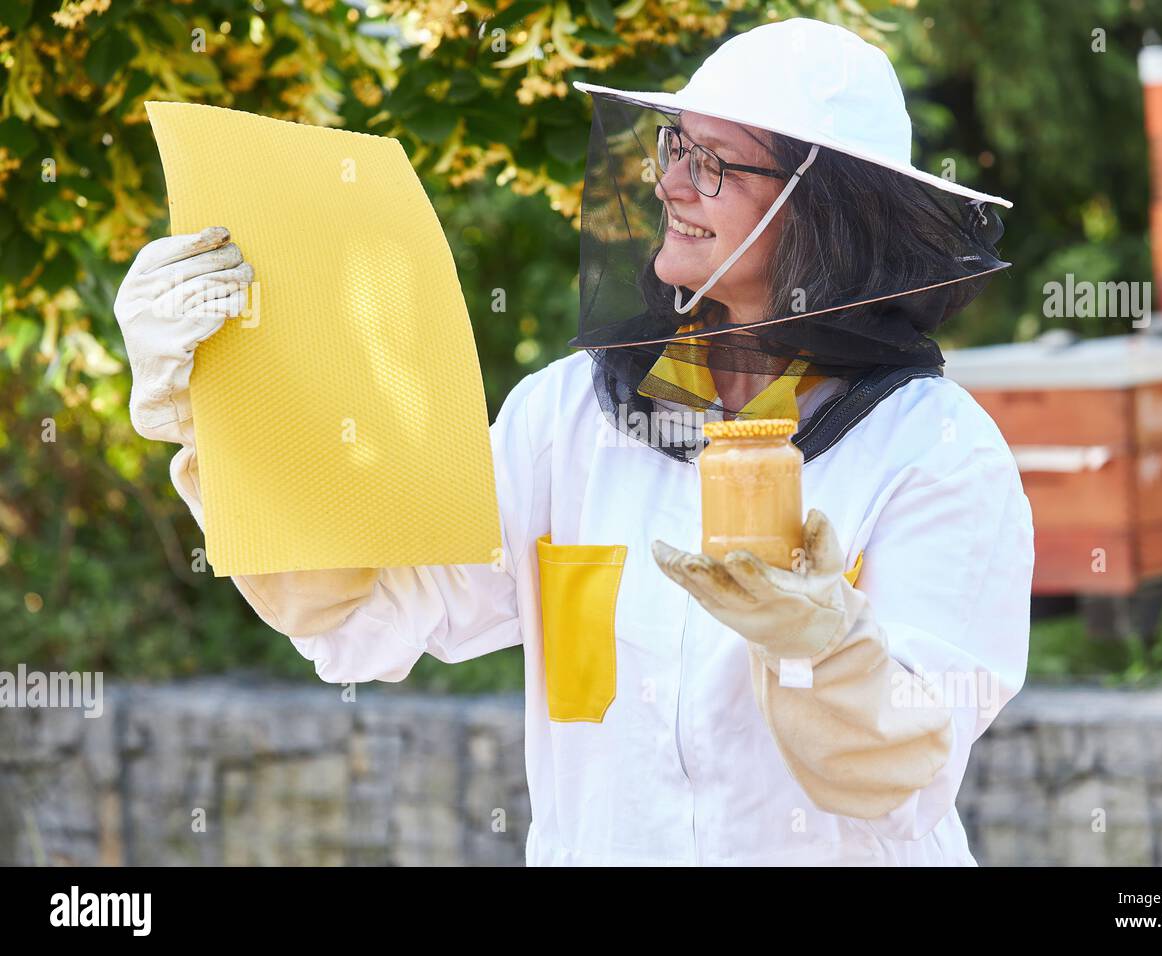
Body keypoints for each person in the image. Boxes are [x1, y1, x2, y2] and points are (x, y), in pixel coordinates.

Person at [114, 17, 1033, 865]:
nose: (670, 182)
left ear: (822, 207)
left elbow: (899, 782)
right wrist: (211, 411)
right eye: (678, 147)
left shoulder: (939, 455)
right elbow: (366, 618)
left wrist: (827, 649)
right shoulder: (568, 421)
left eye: (714, 163)